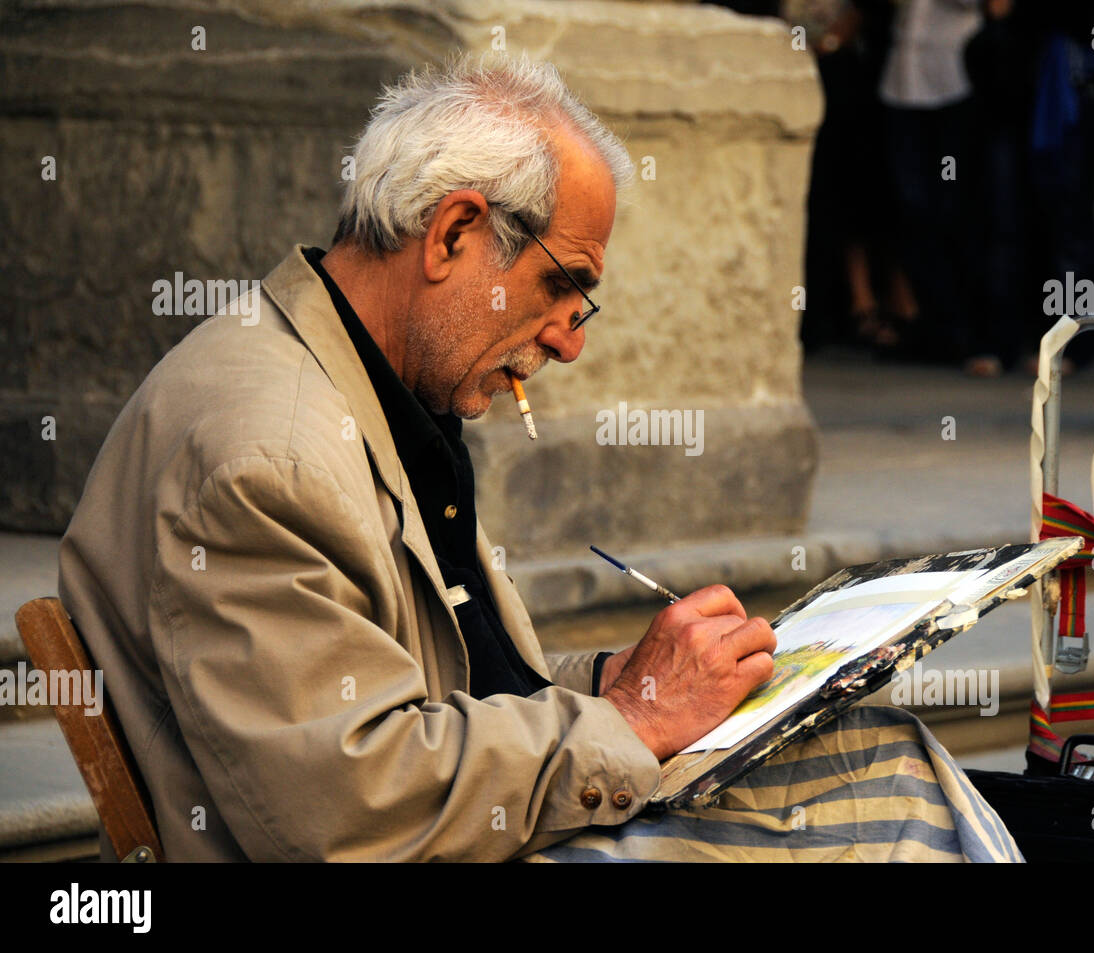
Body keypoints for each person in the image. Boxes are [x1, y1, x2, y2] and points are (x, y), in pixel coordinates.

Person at [57, 53, 1021, 862]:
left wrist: (620, 684)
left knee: (874, 750)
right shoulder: (268, 455)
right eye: (563, 285)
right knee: (896, 815)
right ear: (454, 234)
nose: (569, 341)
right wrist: (634, 721)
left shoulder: (364, 381)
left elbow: (456, 696)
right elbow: (344, 807)